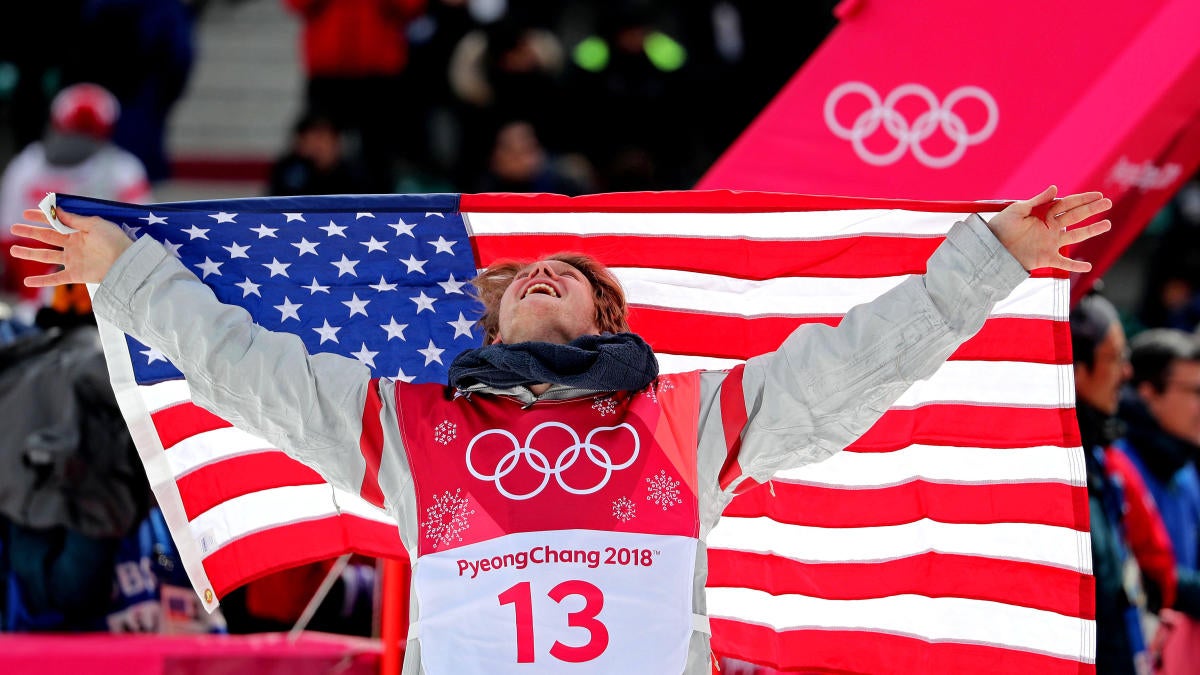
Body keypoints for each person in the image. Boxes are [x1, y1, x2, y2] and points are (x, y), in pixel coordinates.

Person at [9, 186, 1110, 672]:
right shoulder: (414, 427)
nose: (543, 272)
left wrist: (987, 261)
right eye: (527, 276)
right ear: (490, 324)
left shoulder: (686, 422)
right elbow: (247, 370)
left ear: (606, 319)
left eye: (569, 275)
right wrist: (130, 274)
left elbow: (853, 366)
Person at [0, 82, 150, 324]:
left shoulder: (122, 171)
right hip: (32, 301)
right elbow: (7, 238)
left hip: (99, 304)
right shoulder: (27, 166)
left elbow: (138, 237)